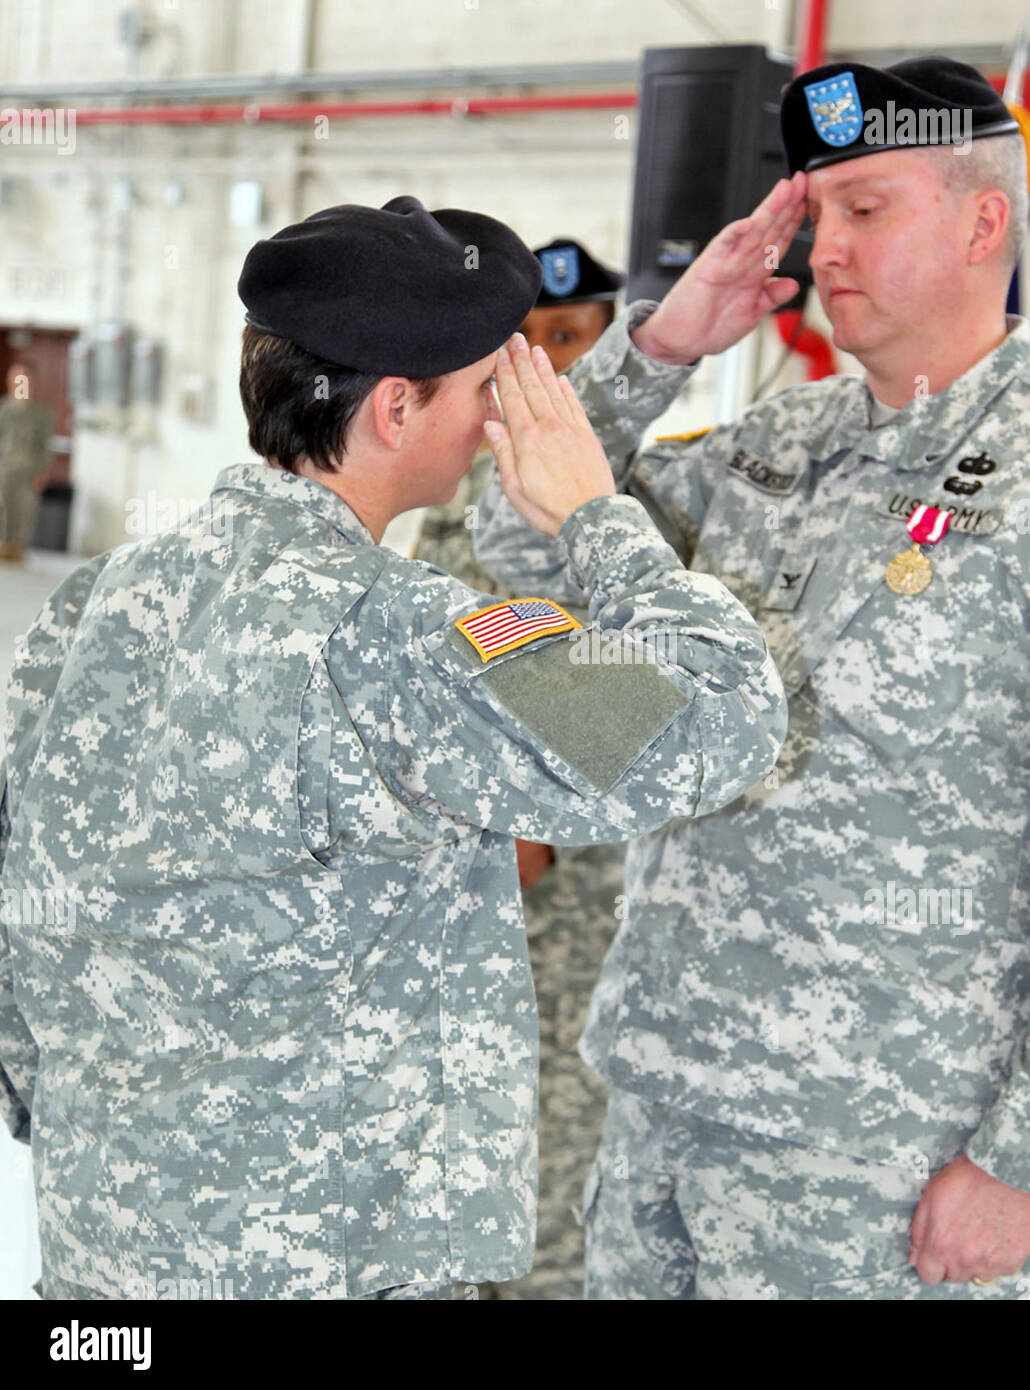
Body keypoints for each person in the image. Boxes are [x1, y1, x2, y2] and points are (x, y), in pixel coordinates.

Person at [473, 58, 1030, 1298]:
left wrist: (1025, 1154)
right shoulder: (779, 443)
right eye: (816, 211)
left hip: (878, 1155)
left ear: (984, 219)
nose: (826, 245)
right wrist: (661, 342)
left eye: (868, 209)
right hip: (665, 1104)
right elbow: (516, 545)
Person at [0, 195, 787, 1300]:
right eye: (486, 394)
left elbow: (15, 885)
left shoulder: (104, 595)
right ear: (398, 410)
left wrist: (77, 1121)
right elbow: (718, 721)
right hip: (332, 1259)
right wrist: (593, 516)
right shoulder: (409, 635)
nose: (501, 425)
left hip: (106, 1246)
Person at [416, 237, 627, 1299]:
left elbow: (631, 725)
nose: (544, 362)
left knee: (553, 1179)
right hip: (456, 911)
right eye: (526, 343)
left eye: (568, 338)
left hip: (573, 921)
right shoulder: (456, 508)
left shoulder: (624, 512)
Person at [0, 362, 53, 563]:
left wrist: (43, 470)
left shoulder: (41, 412)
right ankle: (3, 544)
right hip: (5, 467)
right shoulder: (5, 409)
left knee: (24, 508)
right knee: (4, 506)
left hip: (28, 468)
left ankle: (17, 547)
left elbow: (44, 444)